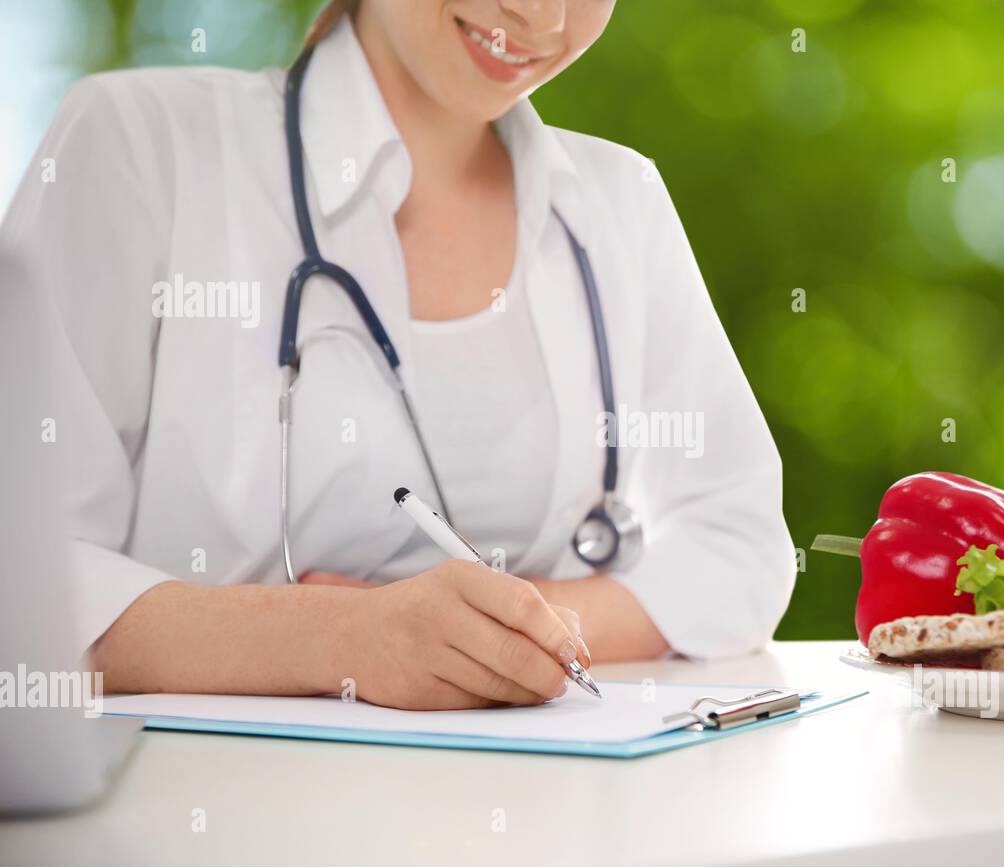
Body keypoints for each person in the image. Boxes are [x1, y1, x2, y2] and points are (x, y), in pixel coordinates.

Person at [0, 0, 794, 710]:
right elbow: (21, 581)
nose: (543, 18)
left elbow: (739, 550)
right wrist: (338, 638)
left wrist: (475, 635)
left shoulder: (619, 201)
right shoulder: (140, 145)